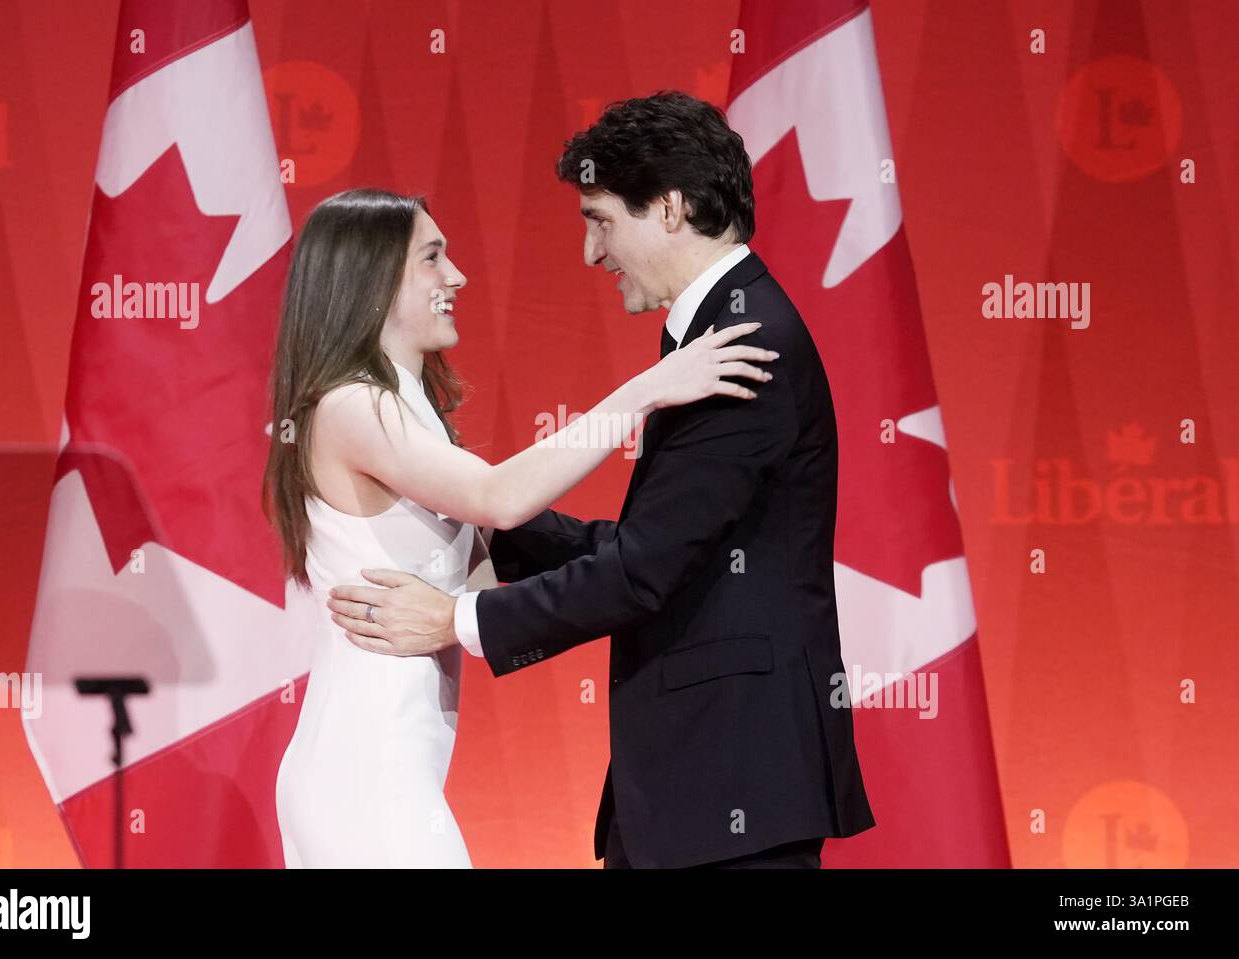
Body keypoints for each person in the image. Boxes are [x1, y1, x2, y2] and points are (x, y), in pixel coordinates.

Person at [329, 92, 877, 869]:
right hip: (706, 783)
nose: (592, 251)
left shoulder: (744, 345)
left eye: (601, 219)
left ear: (670, 209)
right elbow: (656, 548)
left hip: (735, 786)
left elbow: (642, 571)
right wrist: (485, 513)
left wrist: (457, 620)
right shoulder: (713, 330)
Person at [265, 186, 775, 867]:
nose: (457, 277)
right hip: (363, 780)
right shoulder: (354, 405)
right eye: (433, 258)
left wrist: (653, 570)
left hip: (383, 773)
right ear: (372, 279)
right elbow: (498, 498)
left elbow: (485, 568)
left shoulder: (403, 407)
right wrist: (649, 387)